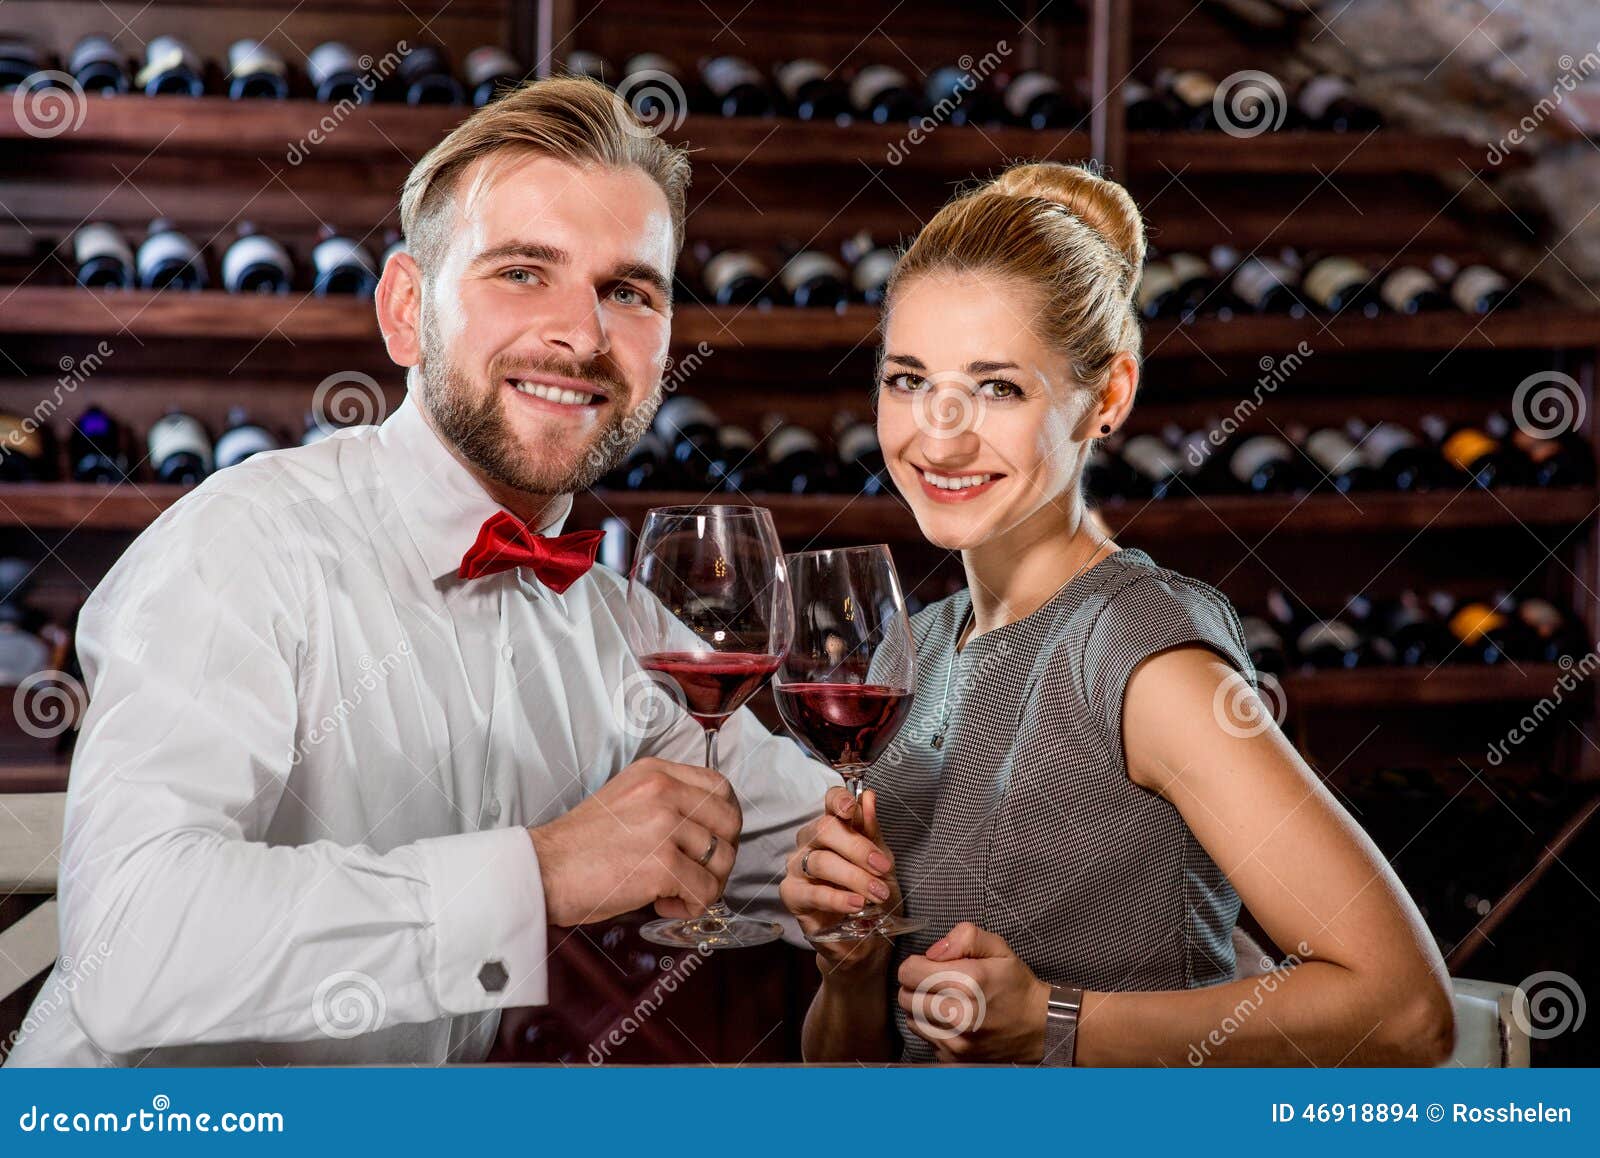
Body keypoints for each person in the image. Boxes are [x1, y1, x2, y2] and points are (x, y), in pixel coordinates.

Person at [7, 76, 832, 1067]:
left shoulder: (615, 623)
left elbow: (825, 839)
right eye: (523, 271)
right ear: (406, 311)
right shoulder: (240, 549)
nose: (580, 334)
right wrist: (541, 878)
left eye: (627, 289)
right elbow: (129, 954)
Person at [780, 161, 1455, 1066]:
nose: (936, 434)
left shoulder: (1138, 652)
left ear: (1107, 398)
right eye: (908, 380)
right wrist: (851, 969)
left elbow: (1408, 1010)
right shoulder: (922, 651)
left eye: (997, 388)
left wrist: (1059, 1021)